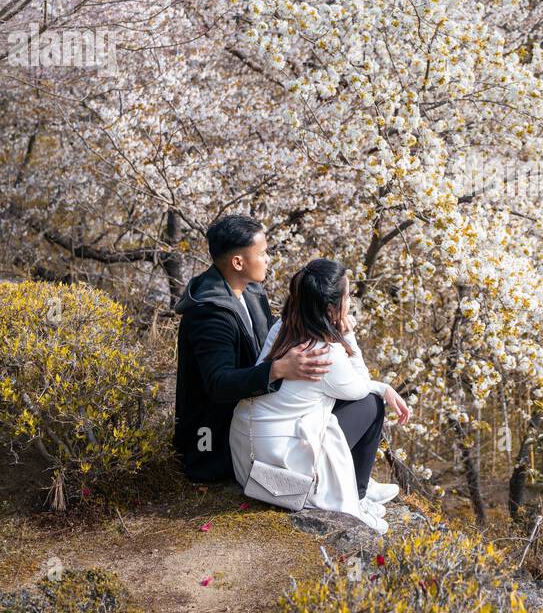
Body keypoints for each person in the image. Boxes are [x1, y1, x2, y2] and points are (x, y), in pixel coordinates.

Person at [230, 258, 410, 533]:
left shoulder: (283, 328)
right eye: (347, 296)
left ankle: (361, 487)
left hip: (247, 460)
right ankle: (358, 496)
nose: (350, 302)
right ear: (331, 308)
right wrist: (349, 338)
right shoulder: (325, 353)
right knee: (372, 404)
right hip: (280, 475)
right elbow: (360, 386)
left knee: (333, 402)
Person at [172, 215, 331, 481]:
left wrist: (333, 326)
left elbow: (271, 342)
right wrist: (279, 368)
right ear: (238, 262)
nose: (268, 259)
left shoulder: (252, 292)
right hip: (213, 439)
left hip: (251, 412)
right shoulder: (209, 313)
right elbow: (219, 384)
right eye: (262, 253)